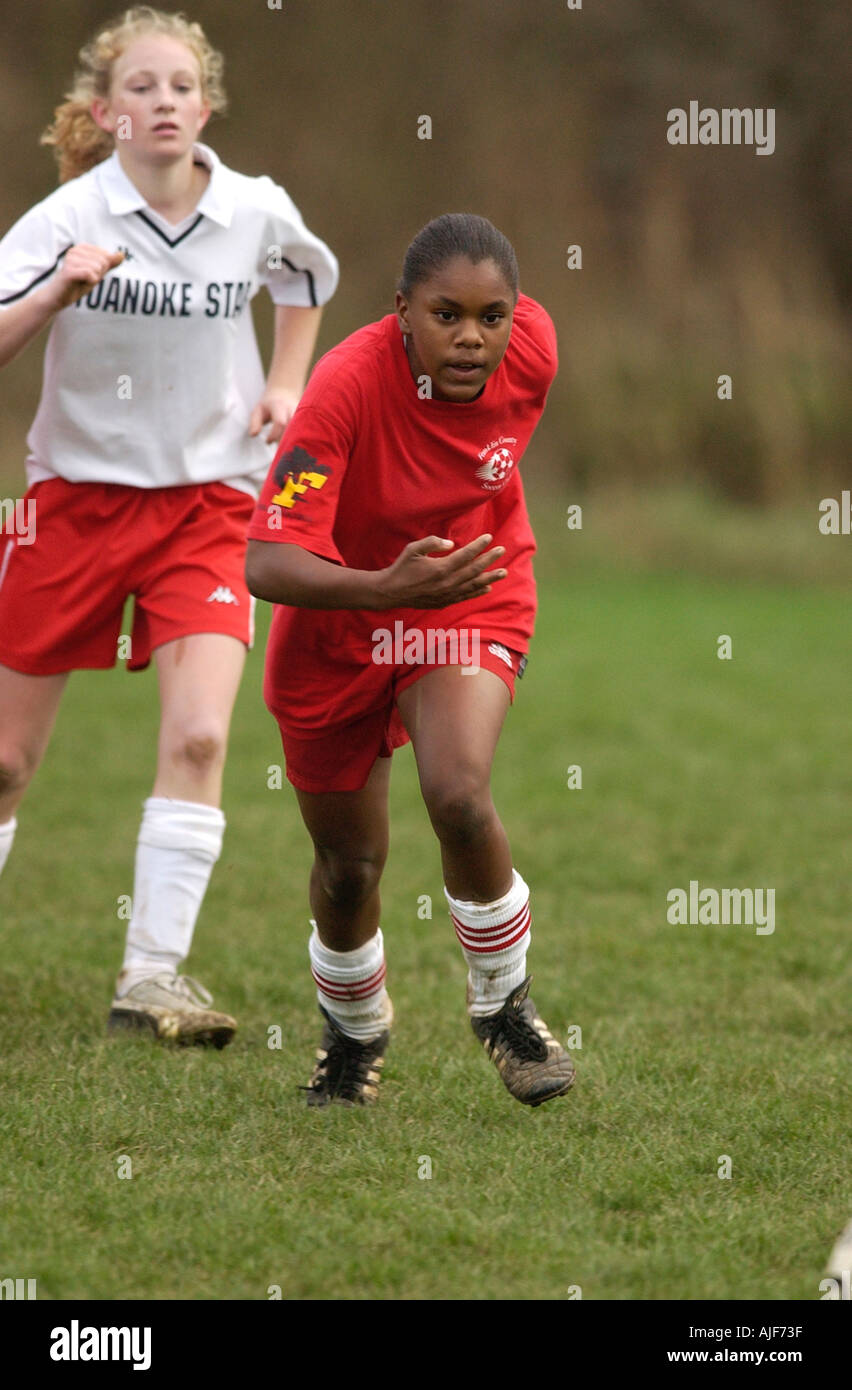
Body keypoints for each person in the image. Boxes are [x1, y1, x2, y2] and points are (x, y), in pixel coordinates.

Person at [0, 6, 338, 1048]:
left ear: (206, 105)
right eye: (141, 88)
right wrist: (57, 289)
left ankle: (152, 977)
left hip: (209, 505)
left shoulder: (251, 207)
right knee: (7, 763)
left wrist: (287, 382)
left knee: (199, 735)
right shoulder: (68, 215)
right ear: (106, 114)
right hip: (74, 502)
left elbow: (307, 276)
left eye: (181, 87)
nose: (164, 104)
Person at [245, 213, 575, 1107]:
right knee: (348, 869)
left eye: (491, 316)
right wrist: (383, 590)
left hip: (469, 590)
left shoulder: (533, 349)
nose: (472, 338)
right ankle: (354, 1035)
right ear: (401, 310)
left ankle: (504, 1006)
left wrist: (426, 590)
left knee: (459, 792)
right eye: (445, 315)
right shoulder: (344, 388)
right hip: (342, 617)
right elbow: (266, 562)